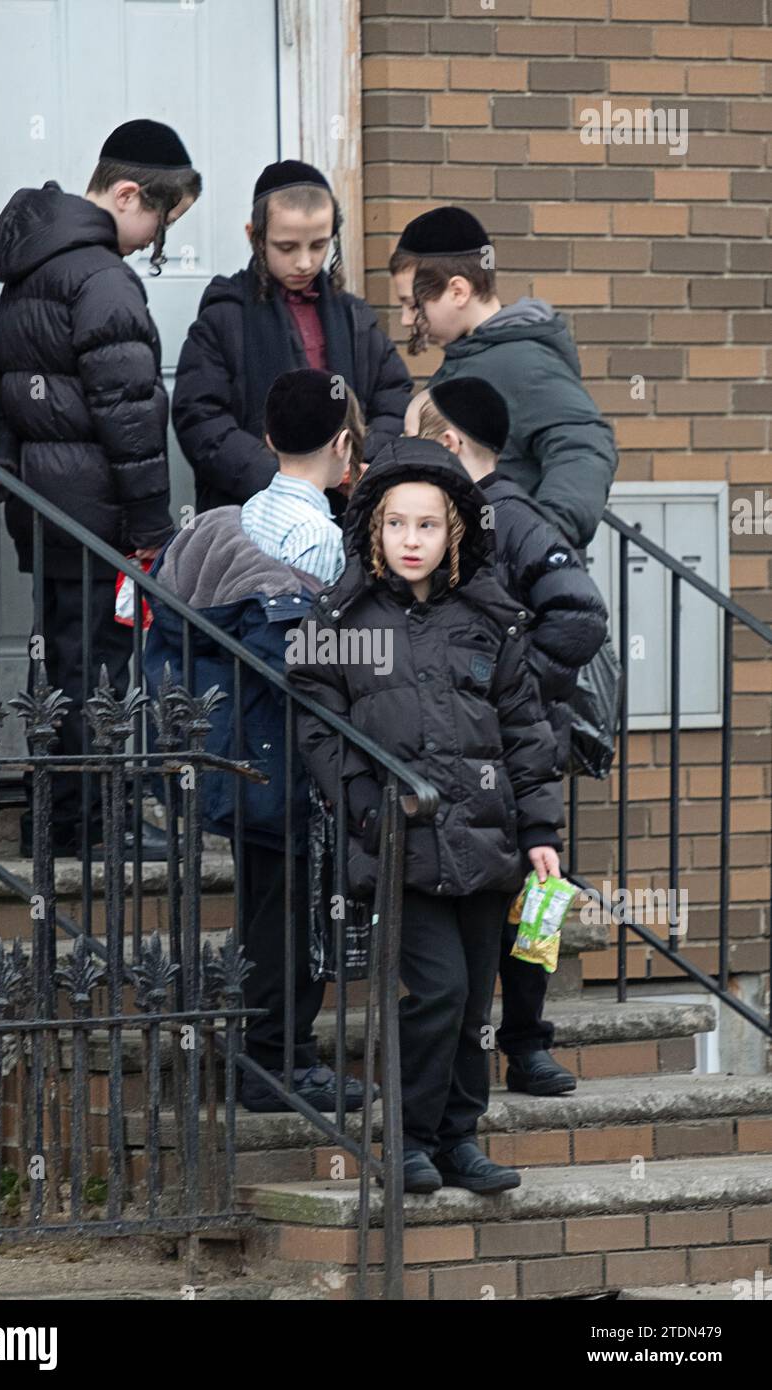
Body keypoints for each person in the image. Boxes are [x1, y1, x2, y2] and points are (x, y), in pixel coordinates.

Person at [287, 436, 566, 1194]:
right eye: (396, 524)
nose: (411, 540)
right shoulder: (340, 617)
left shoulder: (491, 617)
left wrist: (540, 832)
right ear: (373, 528)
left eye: (428, 526)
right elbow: (315, 720)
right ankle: (406, 1138)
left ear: (456, 534)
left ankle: (458, 1140)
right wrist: (367, 805)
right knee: (436, 990)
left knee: (477, 999)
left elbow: (525, 731)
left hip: (485, 842)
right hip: (396, 842)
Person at [144, 369, 372, 1113]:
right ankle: (278, 1061)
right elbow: (307, 658)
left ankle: (264, 1049)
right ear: (344, 445)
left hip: (241, 753)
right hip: (292, 758)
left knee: (266, 906)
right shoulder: (316, 538)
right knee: (294, 913)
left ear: (269, 439)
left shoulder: (231, 519)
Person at [0, 119, 201, 858]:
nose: (154, 242)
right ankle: (96, 829)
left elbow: (4, 400)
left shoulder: (30, 267)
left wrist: (14, 492)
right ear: (127, 193)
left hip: (47, 514)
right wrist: (151, 529)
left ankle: (61, 820)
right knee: (101, 671)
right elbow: (131, 414)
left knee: (65, 666)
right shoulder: (103, 276)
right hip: (98, 517)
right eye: (160, 223)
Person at [406, 378, 608, 1095]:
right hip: (472, 755)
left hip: (516, 753)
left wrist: (511, 688)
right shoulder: (449, 520)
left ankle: (526, 1041)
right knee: (500, 900)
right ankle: (502, 1046)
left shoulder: (512, 520)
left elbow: (580, 615)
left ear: (451, 445)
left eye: (416, 441)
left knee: (535, 897)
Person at [172, 159, 412, 514]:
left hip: (345, 510)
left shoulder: (354, 317)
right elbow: (200, 419)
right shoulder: (224, 316)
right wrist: (287, 480)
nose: (305, 262)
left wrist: (359, 460)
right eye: (287, 247)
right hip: (252, 514)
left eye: (318, 245)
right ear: (254, 235)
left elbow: (394, 399)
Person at [390, 206, 618, 551]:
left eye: (412, 304)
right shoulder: (469, 357)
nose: (406, 320)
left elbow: (584, 445)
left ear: (458, 291)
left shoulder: (521, 362)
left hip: (509, 582)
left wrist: (540, 541)